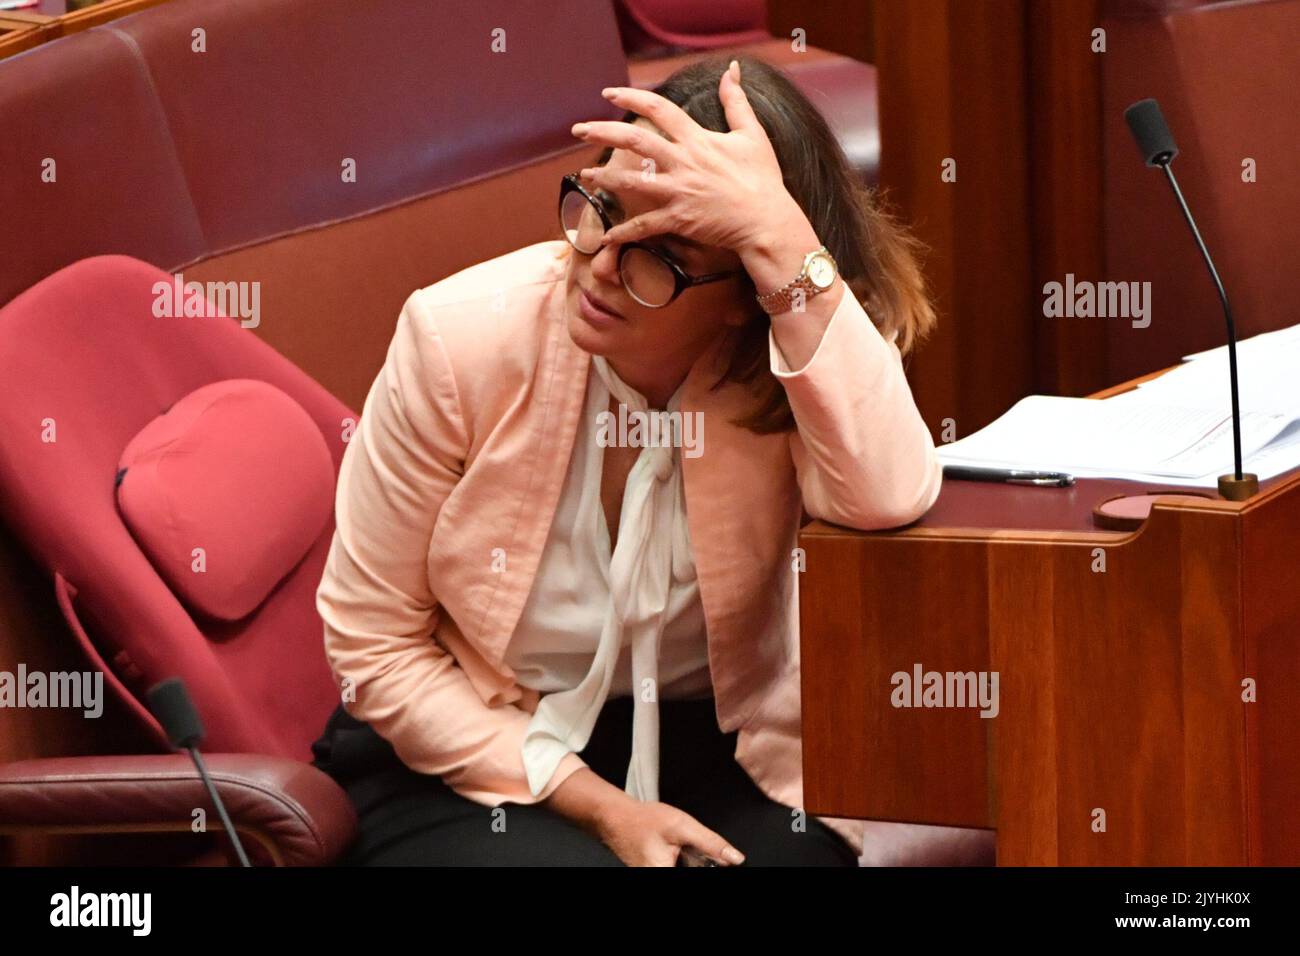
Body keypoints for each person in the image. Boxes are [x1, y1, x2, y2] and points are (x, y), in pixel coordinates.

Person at [310, 54, 941, 866]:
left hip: (717, 743)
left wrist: (784, 243)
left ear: (747, 297)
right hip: (472, 743)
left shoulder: (802, 336)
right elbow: (372, 646)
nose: (598, 262)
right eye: (600, 207)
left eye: (659, 251)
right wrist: (604, 810)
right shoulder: (456, 338)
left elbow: (890, 497)